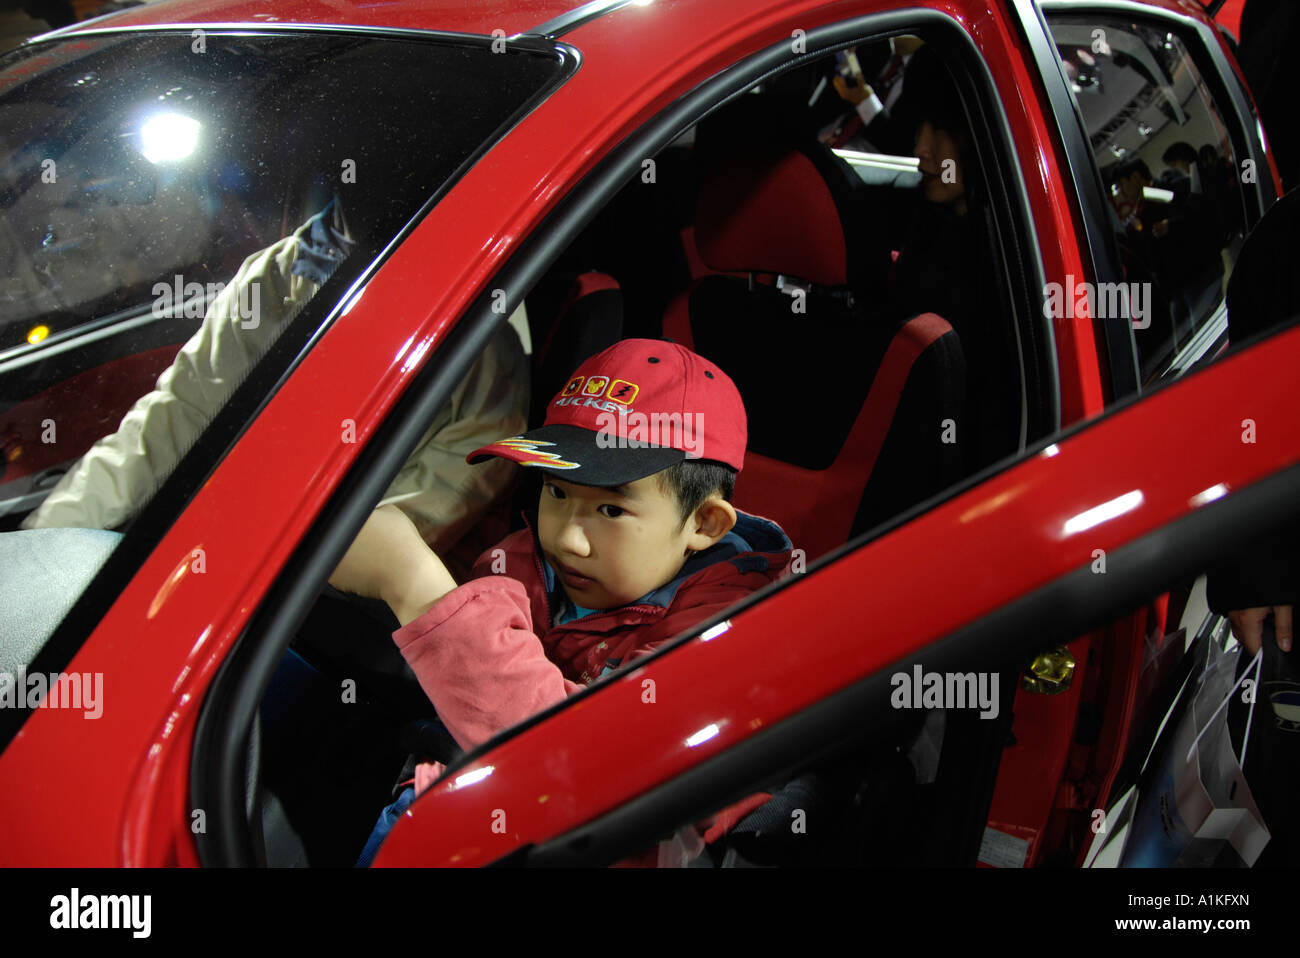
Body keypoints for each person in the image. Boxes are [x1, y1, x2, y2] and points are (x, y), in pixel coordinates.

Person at [331, 339, 793, 866]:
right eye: (556, 492)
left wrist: (415, 584)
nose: (569, 539)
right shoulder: (524, 560)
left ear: (704, 524)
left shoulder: (727, 632)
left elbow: (587, 768)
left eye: (611, 510)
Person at [20, 199, 529, 572]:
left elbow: (443, 496)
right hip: (230, 558)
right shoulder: (277, 272)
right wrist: (39, 547)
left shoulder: (475, 330)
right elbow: (176, 418)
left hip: (349, 594)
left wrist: (283, 570)